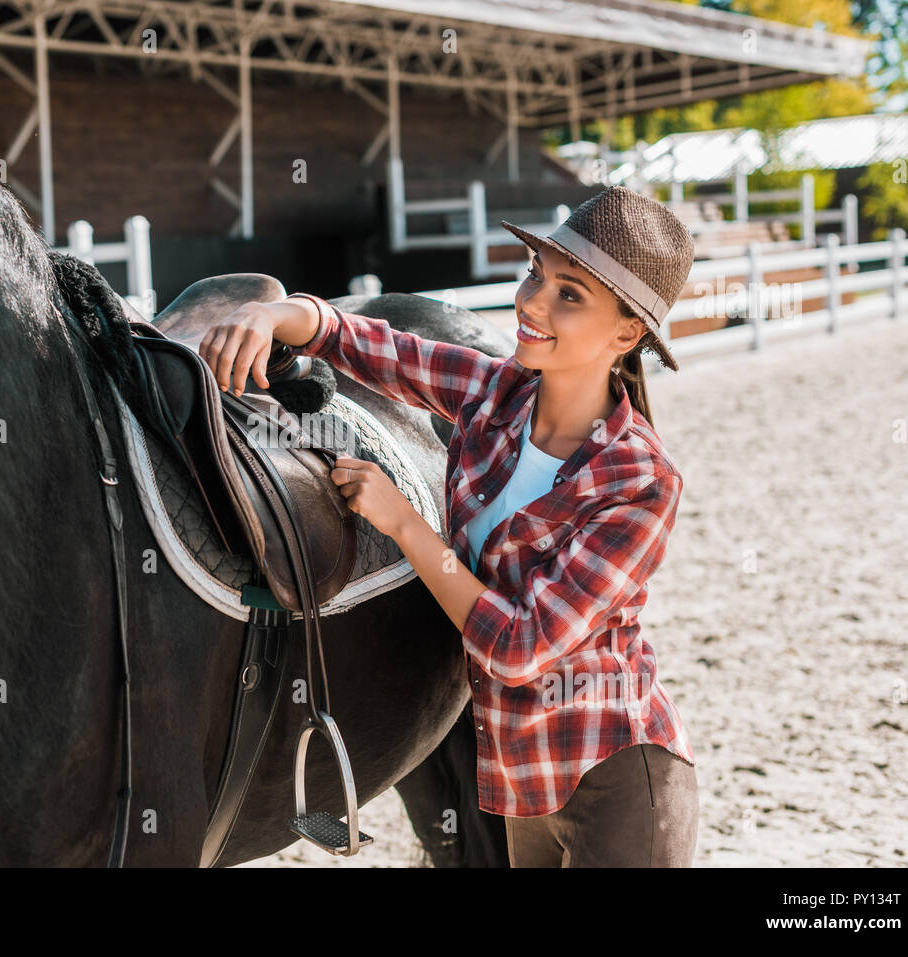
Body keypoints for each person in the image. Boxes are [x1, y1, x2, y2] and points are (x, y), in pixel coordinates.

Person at [197, 185, 699, 867]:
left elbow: (521, 647)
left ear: (626, 332)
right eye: (535, 275)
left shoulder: (639, 479)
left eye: (569, 294)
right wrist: (273, 313)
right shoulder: (497, 395)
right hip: (527, 779)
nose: (531, 302)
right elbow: (370, 345)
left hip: (616, 776)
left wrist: (405, 524)